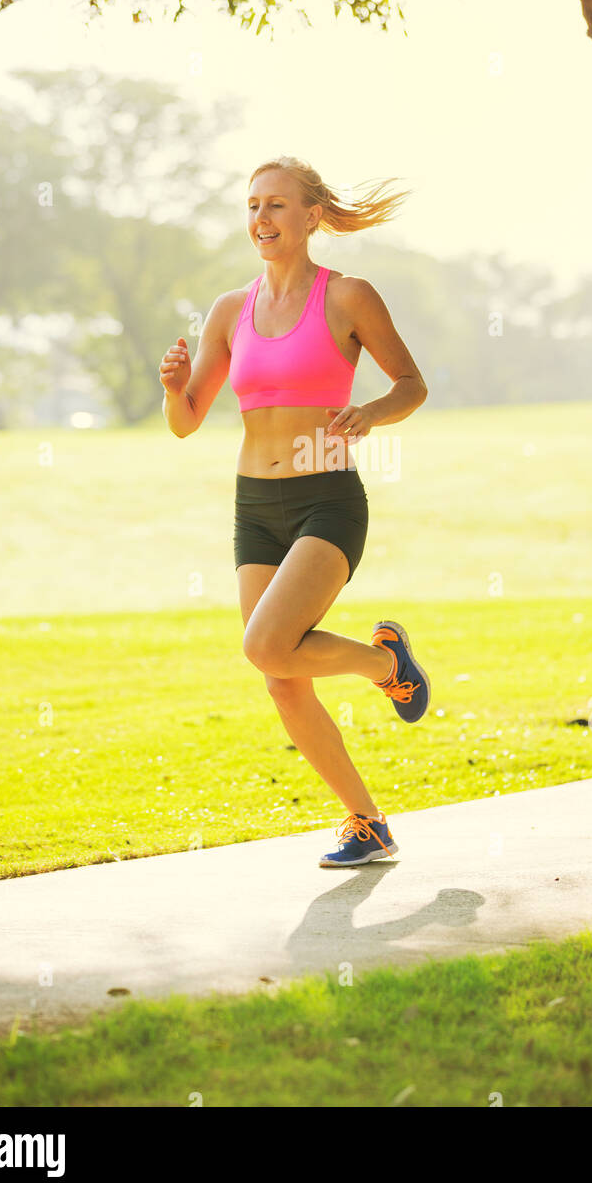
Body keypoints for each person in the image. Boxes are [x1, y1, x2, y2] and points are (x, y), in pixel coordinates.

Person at [160, 155, 430, 867]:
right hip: (256, 506)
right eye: (252, 205)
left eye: (276, 205)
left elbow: (411, 384)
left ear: (312, 217)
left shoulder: (348, 297)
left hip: (326, 500)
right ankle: (367, 822)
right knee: (281, 676)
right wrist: (175, 388)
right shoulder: (229, 310)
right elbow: (187, 421)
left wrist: (370, 412)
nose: (261, 218)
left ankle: (382, 665)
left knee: (263, 644)